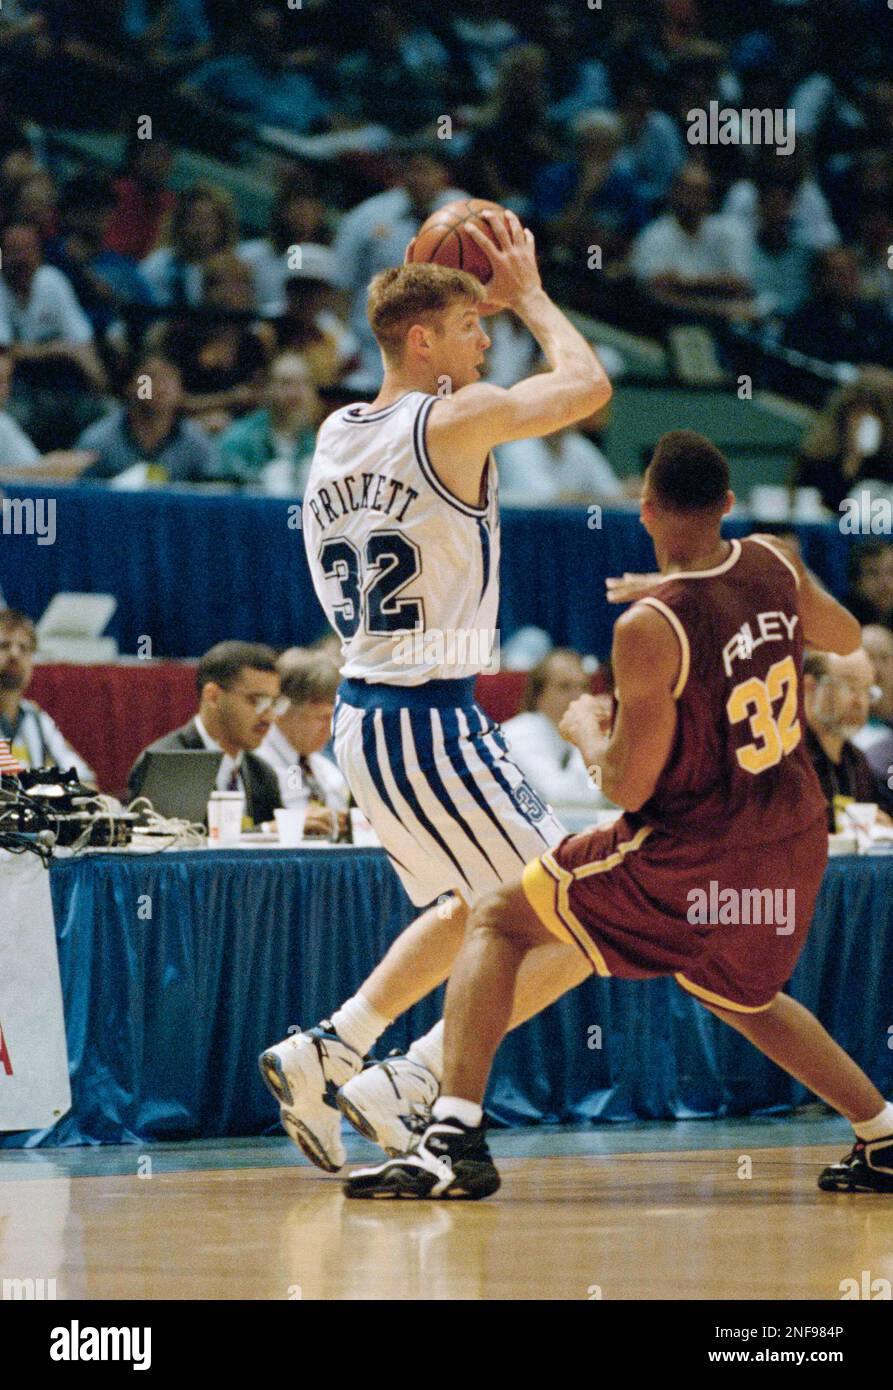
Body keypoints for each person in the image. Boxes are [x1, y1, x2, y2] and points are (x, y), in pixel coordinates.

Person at [343, 431, 893, 1200]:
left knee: (497, 918)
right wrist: (706, 602)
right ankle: (883, 1136)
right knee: (740, 996)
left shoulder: (647, 629)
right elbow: (837, 638)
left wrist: (586, 732)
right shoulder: (771, 558)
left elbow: (629, 791)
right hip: (792, 836)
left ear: (644, 509)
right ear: (729, 505)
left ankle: (451, 1138)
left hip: (697, 847)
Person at [258, 209, 612, 1172]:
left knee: (475, 906)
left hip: (371, 715)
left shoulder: (334, 433)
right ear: (422, 341)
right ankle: (414, 1078)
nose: (487, 340)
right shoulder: (450, 421)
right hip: (425, 717)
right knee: (586, 908)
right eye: (469, 328)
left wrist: (453, 287)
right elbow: (588, 384)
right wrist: (533, 292)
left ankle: (334, 1043)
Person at [331, 150, 466, 391]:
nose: (418, 178)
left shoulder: (465, 214)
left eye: (426, 170)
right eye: (412, 170)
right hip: (371, 347)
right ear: (402, 175)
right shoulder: (367, 217)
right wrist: (344, 343)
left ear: (443, 176)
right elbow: (341, 284)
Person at [128, 640, 284, 826]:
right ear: (213, 696)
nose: (269, 717)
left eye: (273, 703)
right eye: (257, 701)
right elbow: (169, 849)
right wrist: (264, 832)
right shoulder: (166, 766)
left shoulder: (262, 774)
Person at [630, 163, 755, 325]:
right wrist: (718, 303)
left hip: (722, 328)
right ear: (673, 192)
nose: (693, 199)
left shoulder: (729, 232)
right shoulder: (654, 236)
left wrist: (682, 282)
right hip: (668, 324)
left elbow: (739, 285)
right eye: (687, 191)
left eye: (701, 193)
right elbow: (657, 293)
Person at [502, 650, 617, 815]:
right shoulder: (519, 735)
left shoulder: (566, 735)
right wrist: (587, 739)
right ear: (538, 696)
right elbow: (566, 798)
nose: (578, 695)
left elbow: (596, 791)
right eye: (565, 687)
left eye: (584, 687)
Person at [76, 352, 221, 483]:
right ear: (129, 386)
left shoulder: (196, 441)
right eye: (150, 378)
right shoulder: (98, 441)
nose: (160, 387)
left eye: (169, 378)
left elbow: (215, 491)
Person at [256, 649, 348, 835]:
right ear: (282, 711)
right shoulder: (255, 764)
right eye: (321, 718)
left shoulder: (326, 769)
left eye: (333, 719)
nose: (330, 729)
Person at [0, 608, 95, 782]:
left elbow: (84, 778)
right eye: (4, 645)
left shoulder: (36, 718)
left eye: (24, 648)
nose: (14, 654)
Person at [802, 647, 893, 829]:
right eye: (849, 687)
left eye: (867, 690)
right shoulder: (789, 758)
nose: (859, 702)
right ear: (810, 685)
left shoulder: (857, 762)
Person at [217, 351, 318, 489]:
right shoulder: (239, 440)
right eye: (286, 383)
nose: (296, 392)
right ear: (268, 389)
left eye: (304, 383)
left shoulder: (315, 443)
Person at [844, 540, 893, 630]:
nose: (885, 582)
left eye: (891, 572)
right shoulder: (844, 617)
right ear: (857, 582)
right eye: (873, 573)